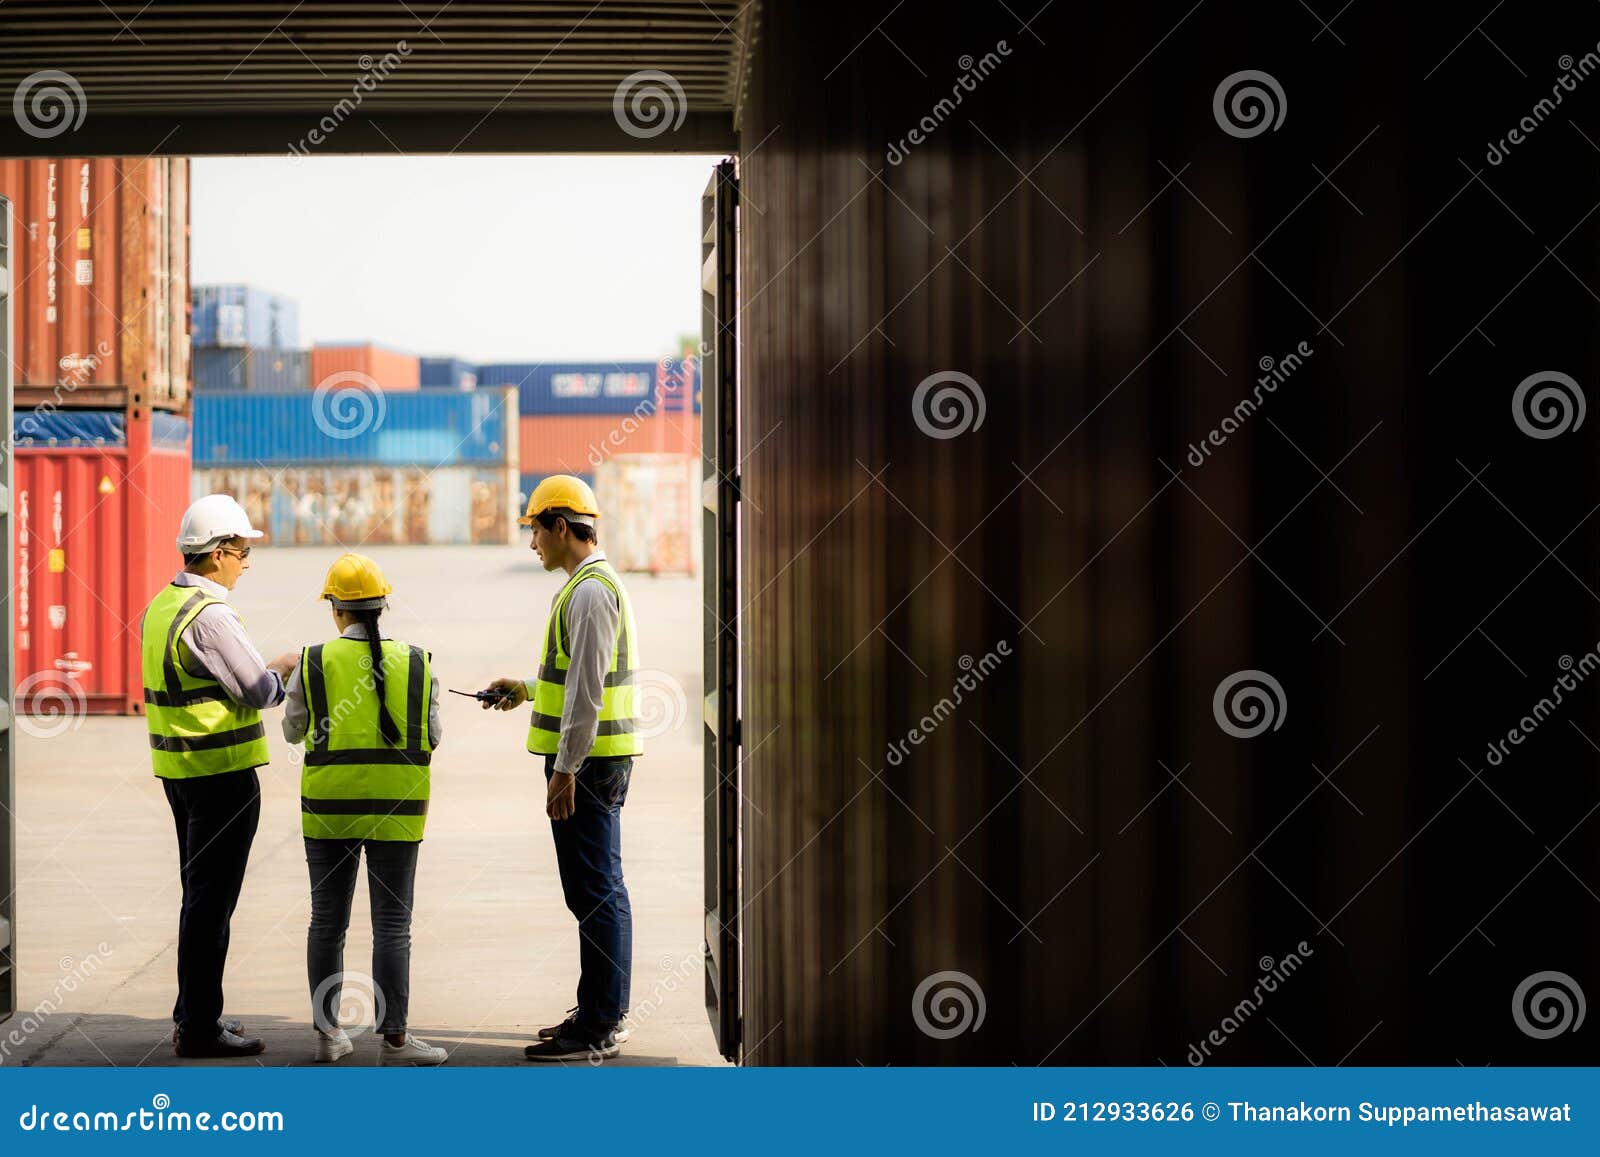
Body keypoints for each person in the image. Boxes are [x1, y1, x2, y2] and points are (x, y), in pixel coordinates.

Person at [485, 475, 641, 1062]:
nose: (532, 545)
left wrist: (565, 769)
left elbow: (588, 691)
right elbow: (569, 678)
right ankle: (601, 1008)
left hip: (590, 764)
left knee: (596, 890)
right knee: (595, 889)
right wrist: (524, 689)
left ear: (559, 526)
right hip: (591, 760)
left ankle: (600, 1024)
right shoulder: (585, 587)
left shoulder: (591, 592)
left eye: (534, 531)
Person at [142, 494, 297, 1059]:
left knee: (198, 897)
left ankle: (191, 1014)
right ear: (216, 554)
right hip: (221, 777)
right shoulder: (211, 615)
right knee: (211, 904)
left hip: (179, 773)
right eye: (242, 550)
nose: (247, 561)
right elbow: (258, 692)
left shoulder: (163, 606)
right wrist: (281, 668)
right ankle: (200, 1027)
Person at [282, 552, 447, 1066]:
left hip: (329, 812)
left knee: (326, 924)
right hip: (397, 811)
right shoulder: (418, 662)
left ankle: (329, 1036)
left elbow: (292, 731)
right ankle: (395, 1042)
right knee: (392, 927)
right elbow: (434, 735)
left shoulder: (312, 662)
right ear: (384, 607)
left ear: (336, 610)